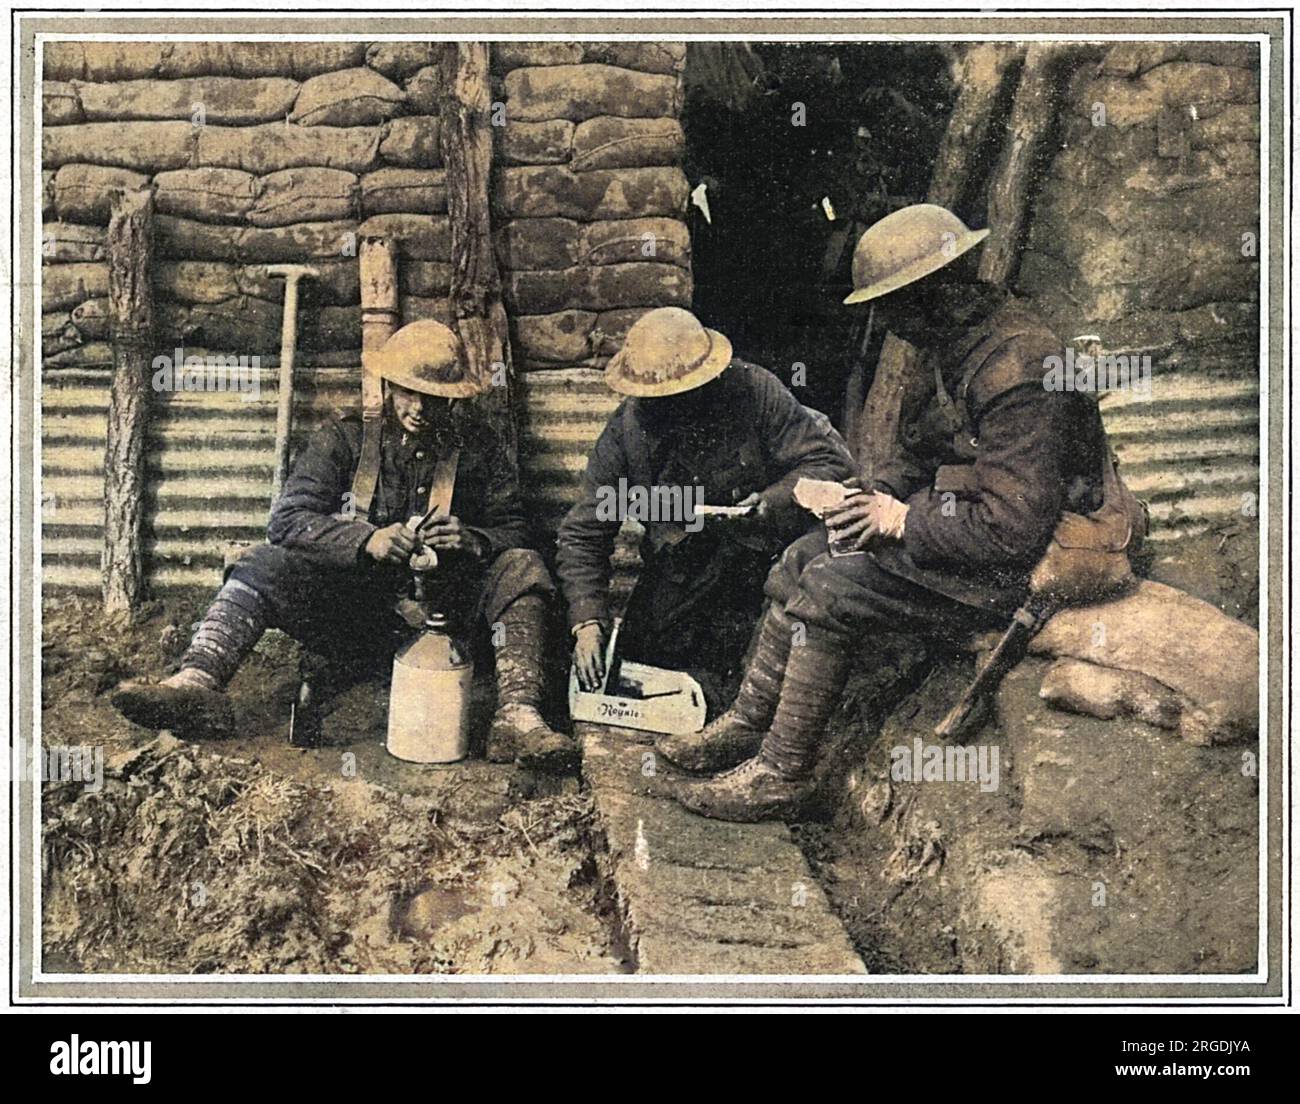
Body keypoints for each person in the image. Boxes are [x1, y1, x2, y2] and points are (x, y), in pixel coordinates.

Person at [671, 204, 1110, 820]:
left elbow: (1013, 530)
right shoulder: (959, 346)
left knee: (832, 584)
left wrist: (901, 520)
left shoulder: (1020, 369)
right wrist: (867, 497)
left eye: (894, 305)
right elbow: (925, 452)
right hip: (966, 528)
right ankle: (749, 724)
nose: (888, 322)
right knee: (803, 554)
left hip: (1027, 563)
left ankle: (781, 774)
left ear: (929, 295)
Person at [112, 320, 574, 770]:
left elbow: (521, 532)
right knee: (263, 562)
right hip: (355, 619)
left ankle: (516, 717)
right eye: (408, 392)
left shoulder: (480, 448)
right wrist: (365, 539)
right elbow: (288, 521)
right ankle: (198, 681)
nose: (419, 408)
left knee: (523, 566)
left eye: (433, 398)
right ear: (388, 386)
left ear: (451, 399)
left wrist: (473, 539)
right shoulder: (346, 439)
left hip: (448, 627)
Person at [555, 306, 856, 714]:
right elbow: (586, 532)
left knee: (756, 676)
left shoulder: (756, 392)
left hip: (764, 561)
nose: (671, 407)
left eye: (683, 395)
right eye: (657, 400)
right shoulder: (626, 433)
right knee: (638, 675)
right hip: (683, 568)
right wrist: (587, 622)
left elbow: (828, 466)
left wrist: (772, 500)